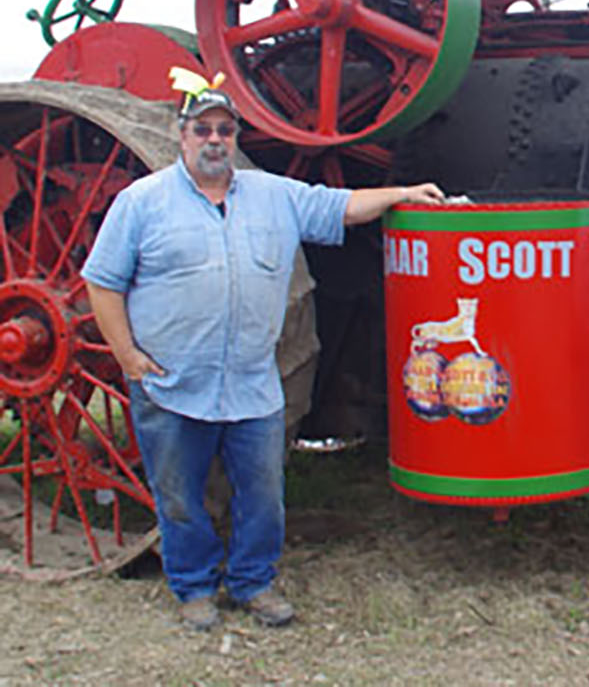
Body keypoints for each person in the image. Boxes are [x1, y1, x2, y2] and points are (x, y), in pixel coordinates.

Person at [82, 78, 446, 632]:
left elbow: (340, 206)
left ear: (235, 139)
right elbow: (102, 281)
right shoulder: (141, 203)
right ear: (181, 136)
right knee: (179, 495)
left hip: (253, 381)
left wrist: (399, 195)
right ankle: (194, 588)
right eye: (202, 129)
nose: (214, 140)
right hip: (173, 381)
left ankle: (254, 582)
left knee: (264, 494)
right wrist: (128, 356)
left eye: (225, 131)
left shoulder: (272, 194)